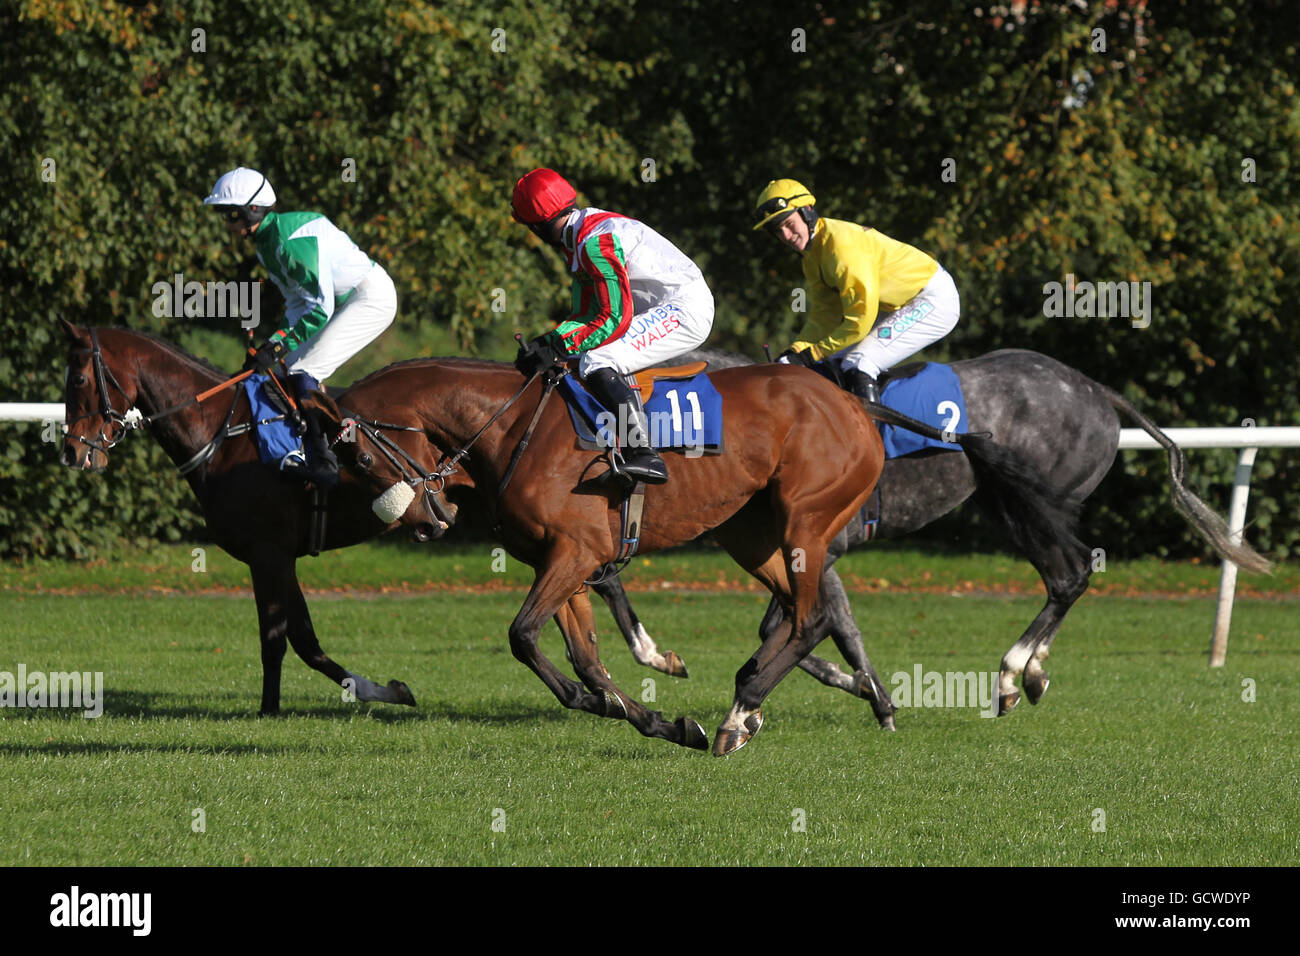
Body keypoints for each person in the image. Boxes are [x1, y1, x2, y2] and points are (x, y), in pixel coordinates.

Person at [511, 168, 714, 485]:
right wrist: (547, 341)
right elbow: (584, 314)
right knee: (583, 356)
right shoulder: (579, 238)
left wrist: (561, 346)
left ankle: (645, 454)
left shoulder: (594, 242)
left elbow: (612, 318)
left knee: (597, 359)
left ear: (538, 226)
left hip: (685, 308)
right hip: (660, 306)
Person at [203, 166, 397, 485]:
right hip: (339, 301)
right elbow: (298, 304)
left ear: (254, 210)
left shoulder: (288, 241)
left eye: (230, 214)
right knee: (279, 374)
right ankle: (292, 451)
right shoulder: (267, 246)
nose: (227, 223)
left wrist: (279, 346)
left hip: (369, 298)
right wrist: (273, 345)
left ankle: (323, 462)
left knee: (304, 372)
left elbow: (320, 308)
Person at [752, 178, 959, 403]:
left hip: (932, 298)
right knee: (830, 364)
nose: (786, 236)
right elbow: (825, 315)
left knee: (860, 362)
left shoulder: (842, 248)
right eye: (778, 231)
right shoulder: (812, 256)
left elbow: (859, 319)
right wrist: (796, 350)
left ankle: (869, 436)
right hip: (895, 303)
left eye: (789, 224)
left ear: (807, 212)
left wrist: (812, 353)